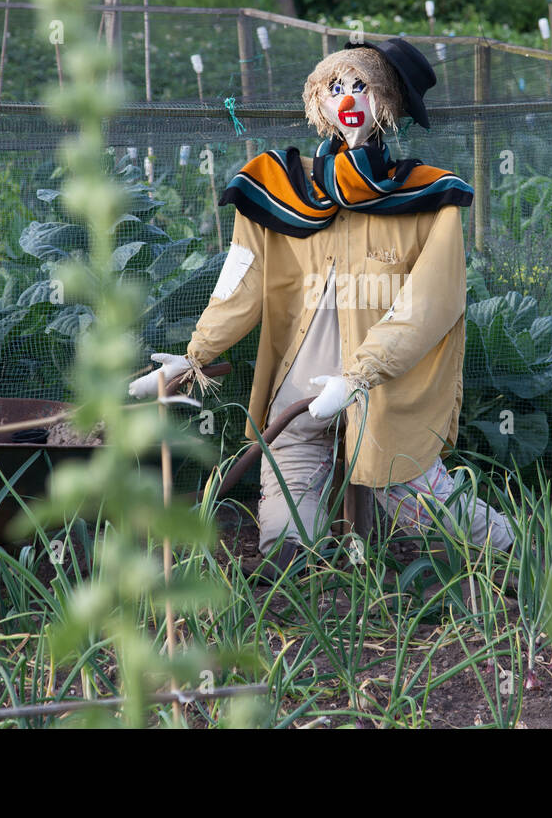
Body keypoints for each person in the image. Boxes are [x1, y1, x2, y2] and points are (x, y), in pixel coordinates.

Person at [131, 38, 514, 578]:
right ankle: (291, 571)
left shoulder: (429, 200)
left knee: (406, 487)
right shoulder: (279, 188)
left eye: (361, 86)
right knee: (289, 461)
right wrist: (194, 358)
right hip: (300, 371)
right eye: (336, 87)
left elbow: (429, 303)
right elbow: (242, 277)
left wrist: (360, 375)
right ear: (319, 99)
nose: (348, 98)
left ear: (389, 103)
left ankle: (509, 548)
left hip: (384, 381)